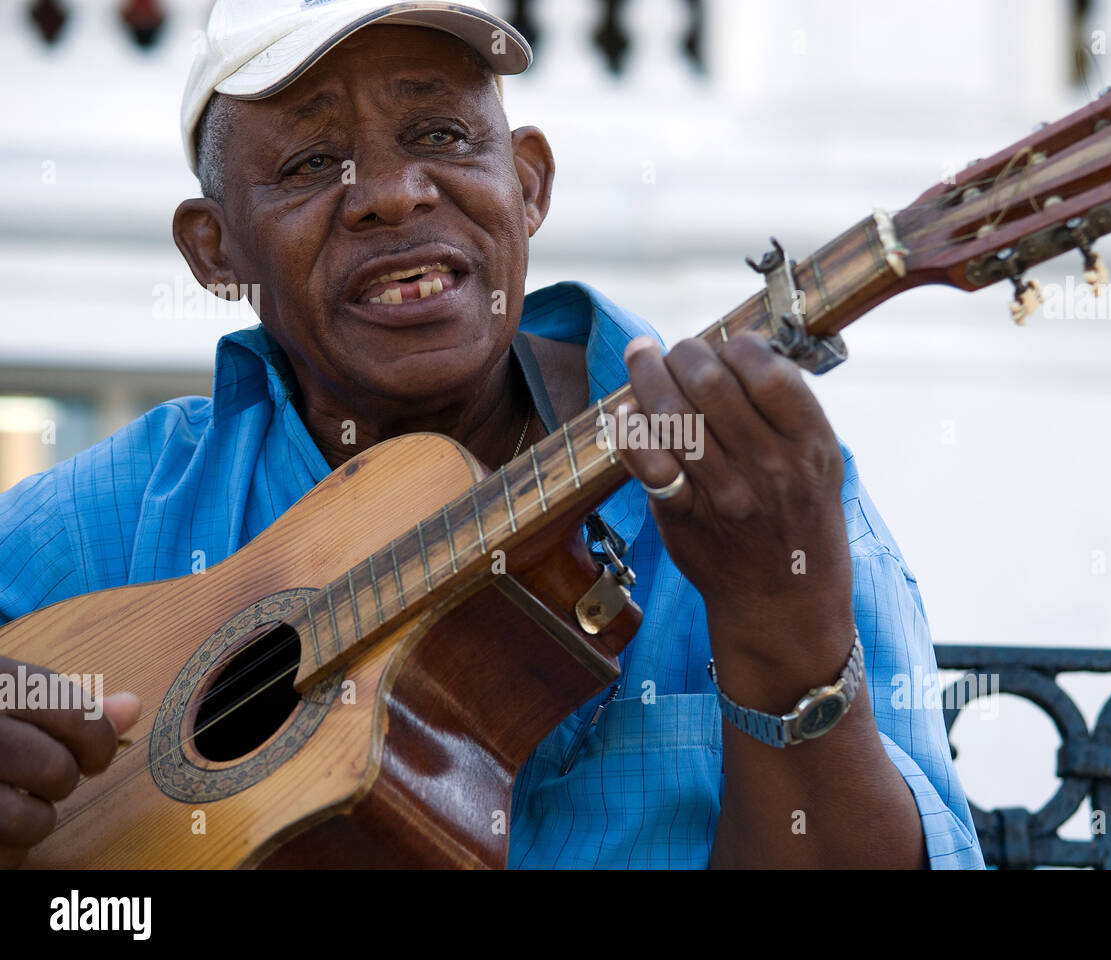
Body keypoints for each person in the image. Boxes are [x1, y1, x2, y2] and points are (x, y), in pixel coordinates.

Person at [0, 0, 982, 869]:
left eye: (439, 133)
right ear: (215, 250)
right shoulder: (122, 518)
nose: (392, 192)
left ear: (528, 184)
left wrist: (784, 635)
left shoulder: (753, 483)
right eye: (308, 164)